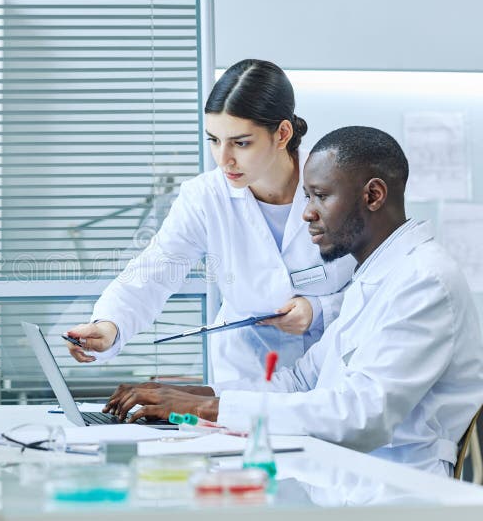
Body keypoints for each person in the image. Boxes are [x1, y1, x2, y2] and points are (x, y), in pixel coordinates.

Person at [105, 126, 483, 476]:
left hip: (398, 488)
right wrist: (187, 396)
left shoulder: (424, 281)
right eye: (307, 196)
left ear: (373, 195)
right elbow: (302, 381)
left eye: (320, 196)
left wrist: (208, 408)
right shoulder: (376, 276)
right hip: (347, 477)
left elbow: (361, 417)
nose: (306, 213)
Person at [65, 59, 355, 385]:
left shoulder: (341, 187)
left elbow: (383, 285)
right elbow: (154, 272)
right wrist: (109, 326)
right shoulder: (205, 197)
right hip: (248, 377)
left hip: (334, 371)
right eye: (214, 140)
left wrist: (320, 309)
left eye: (241, 143)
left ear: (282, 134)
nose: (223, 159)